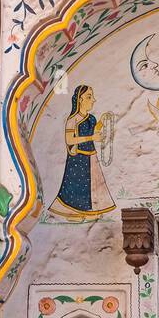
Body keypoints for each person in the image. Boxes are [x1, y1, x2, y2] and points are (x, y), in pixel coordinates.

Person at [48, 84, 116, 220]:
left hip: (91, 156)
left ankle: (89, 212)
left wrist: (101, 123)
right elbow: (69, 140)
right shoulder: (72, 120)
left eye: (92, 97)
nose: (93, 100)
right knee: (76, 186)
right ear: (80, 99)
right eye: (89, 97)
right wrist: (91, 137)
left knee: (92, 187)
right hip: (78, 159)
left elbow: (94, 133)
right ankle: (73, 212)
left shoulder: (91, 118)